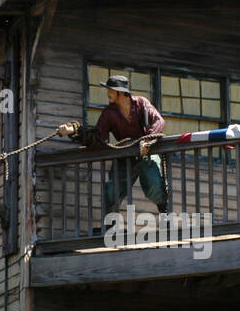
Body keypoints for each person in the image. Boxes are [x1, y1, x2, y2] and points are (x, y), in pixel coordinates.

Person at [57, 74, 169, 213]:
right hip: (124, 156)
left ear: (120, 92)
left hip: (145, 152)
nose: (108, 93)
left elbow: (159, 121)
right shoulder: (109, 113)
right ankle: (110, 228)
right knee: (112, 192)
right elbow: (98, 137)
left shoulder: (141, 103)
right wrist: (75, 131)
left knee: (154, 185)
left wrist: (147, 140)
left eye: (110, 90)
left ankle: (167, 219)